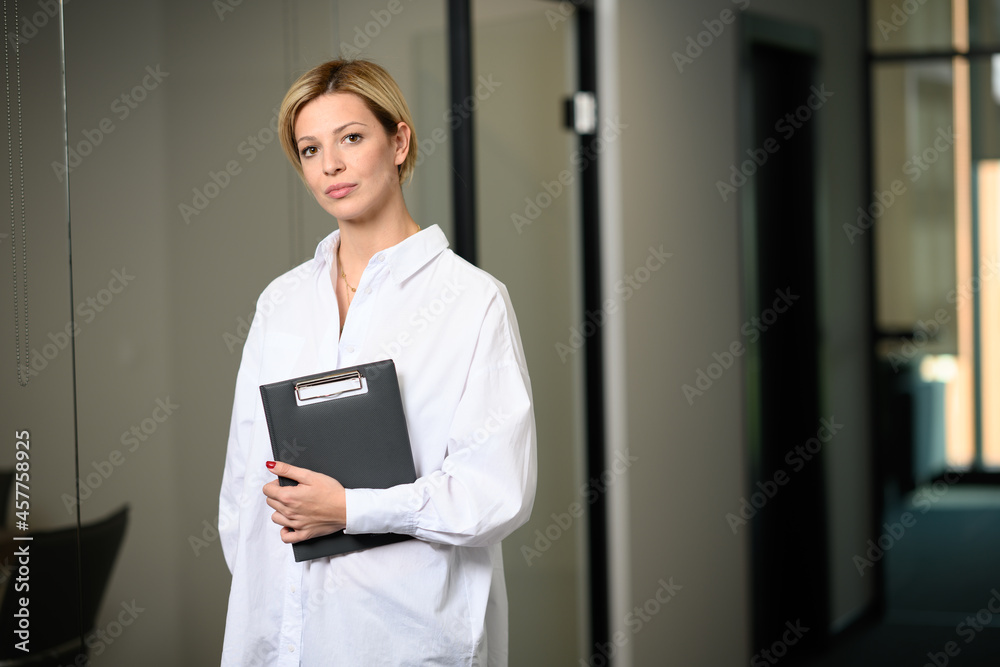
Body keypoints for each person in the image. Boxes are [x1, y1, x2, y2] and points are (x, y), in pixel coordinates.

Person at [218, 59, 537, 666]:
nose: (330, 165)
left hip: (406, 642)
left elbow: (496, 491)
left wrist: (350, 509)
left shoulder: (471, 301)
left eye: (352, 138)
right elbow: (242, 490)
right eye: (310, 149)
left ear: (399, 141)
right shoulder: (281, 302)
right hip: (279, 640)